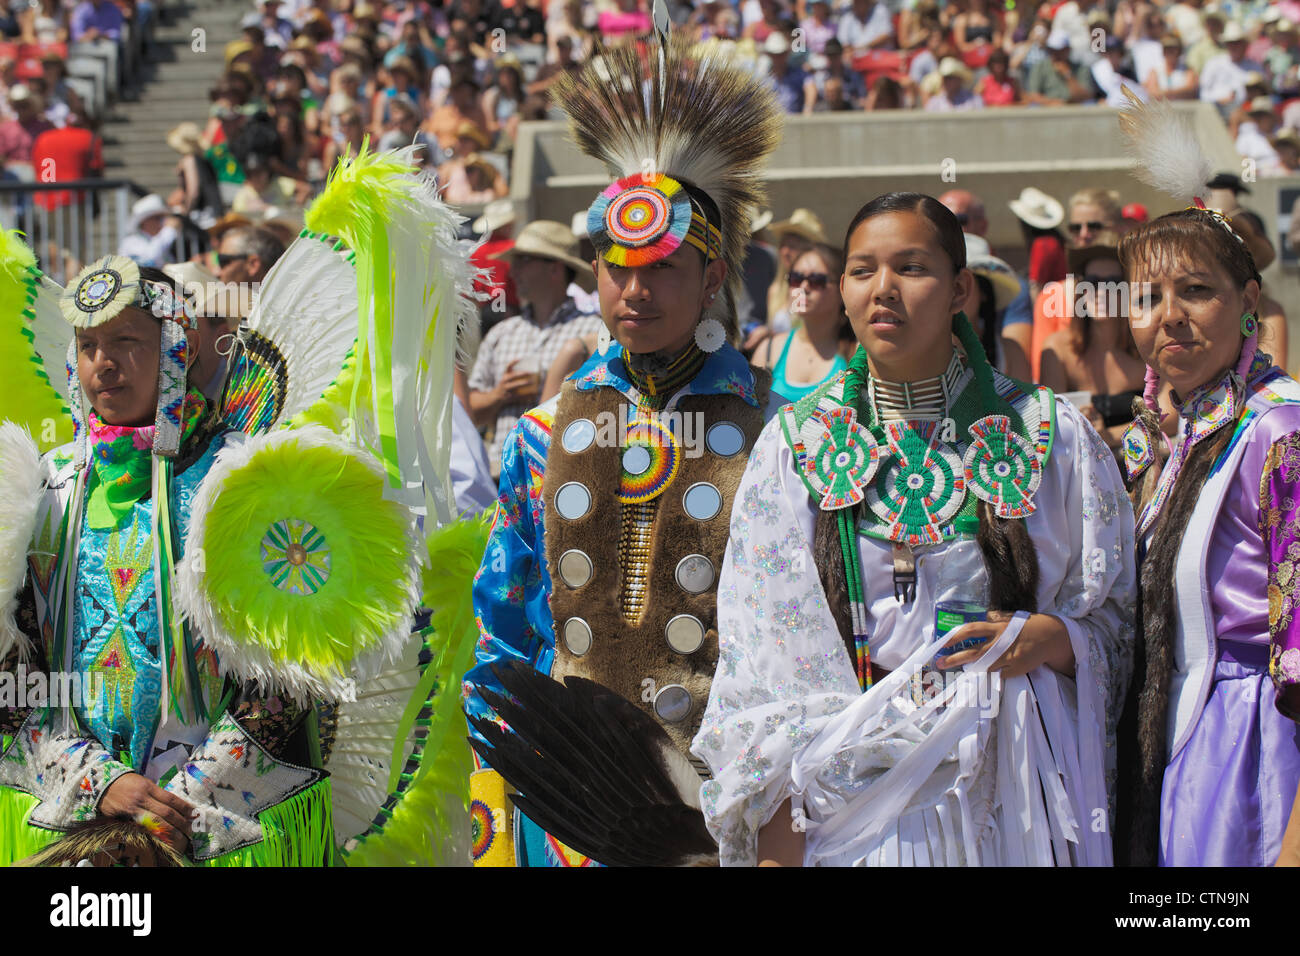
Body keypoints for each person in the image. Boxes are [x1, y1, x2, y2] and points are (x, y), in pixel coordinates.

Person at [692, 191, 1135, 866]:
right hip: (848, 814)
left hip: (1008, 799)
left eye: (911, 268)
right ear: (842, 290)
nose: (884, 290)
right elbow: (763, 665)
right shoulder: (796, 446)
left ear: (961, 289)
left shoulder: (1049, 437)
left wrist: (1057, 641)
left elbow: (1118, 616)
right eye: (863, 270)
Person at [463, 34, 783, 867]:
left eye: (665, 266)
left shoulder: (777, 435)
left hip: (721, 790)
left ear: (713, 278)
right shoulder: (541, 436)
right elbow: (502, 620)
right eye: (617, 267)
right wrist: (501, 762)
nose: (636, 289)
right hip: (573, 798)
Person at [1114, 183, 1300, 867]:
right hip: (1179, 741)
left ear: (1249, 301)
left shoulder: (1282, 430)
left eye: (1196, 290)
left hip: (1258, 753)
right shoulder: (1186, 431)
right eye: (1147, 298)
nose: (1168, 318)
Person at [466, 219, 603, 476]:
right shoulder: (502, 333)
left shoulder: (593, 334)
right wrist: (500, 395)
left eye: (523, 261)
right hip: (501, 475)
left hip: (563, 475)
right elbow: (470, 412)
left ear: (555, 269)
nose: (512, 271)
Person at [1038, 240, 1146, 450]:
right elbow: (1050, 426)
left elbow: (1170, 417)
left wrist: (1110, 436)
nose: (1102, 291)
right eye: (1093, 282)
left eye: (1114, 283)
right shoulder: (1057, 349)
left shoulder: (1146, 345)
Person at [754, 243, 855, 403]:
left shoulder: (857, 353)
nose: (803, 287)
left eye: (816, 281)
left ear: (842, 288)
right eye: (796, 279)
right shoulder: (768, 350)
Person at [117, 194, 179, 268]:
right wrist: (169, 230)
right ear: (145, 221)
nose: (163, 221)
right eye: (157, 218)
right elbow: (150, 260)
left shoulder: (162, 240)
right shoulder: (130, 242)